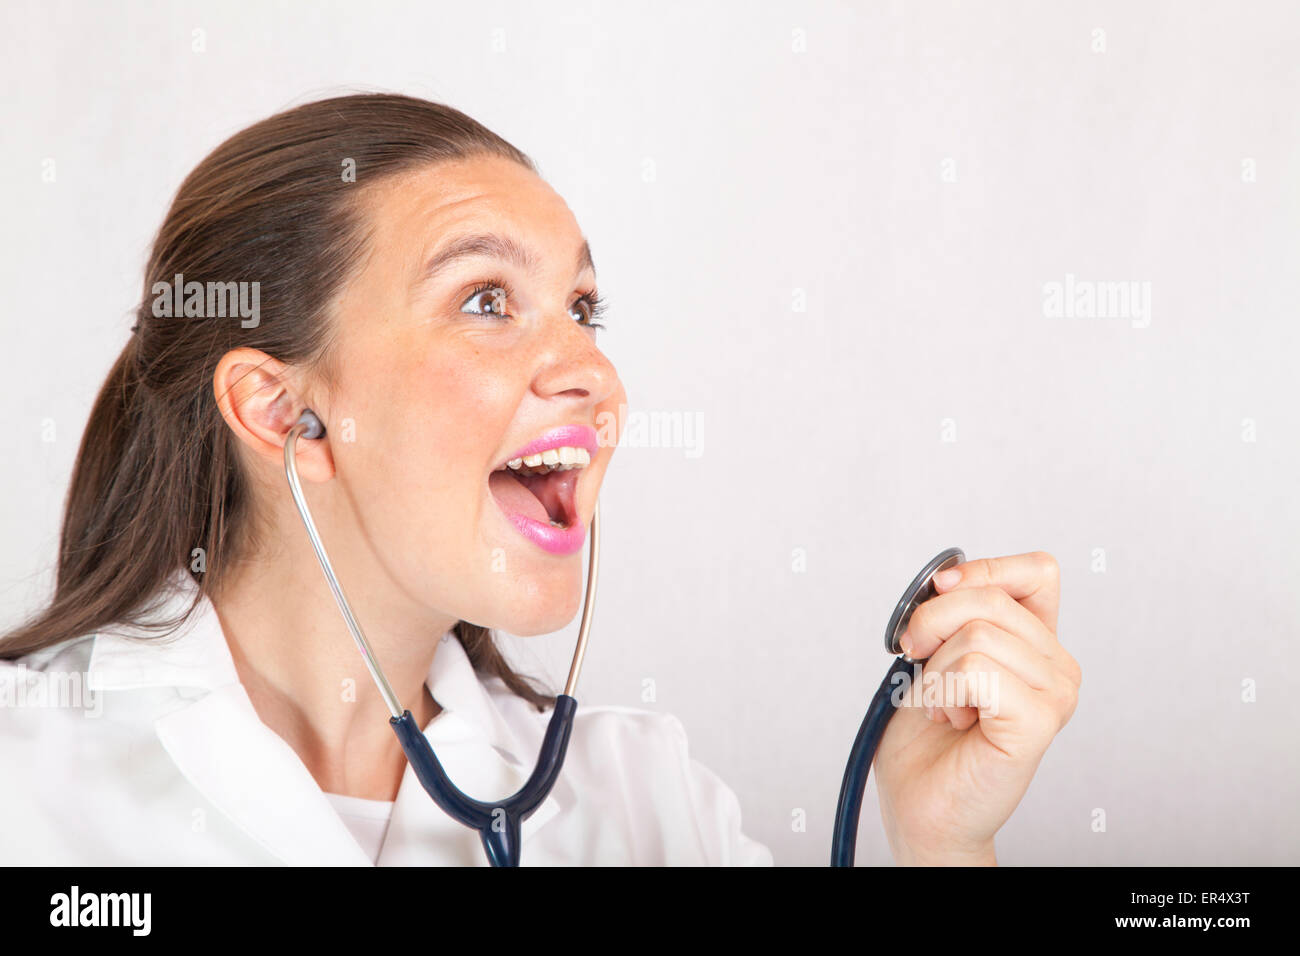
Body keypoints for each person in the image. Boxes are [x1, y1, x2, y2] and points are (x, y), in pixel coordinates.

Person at [0, 93, 1079, 866]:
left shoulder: (641, 798)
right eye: (486, 300)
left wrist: (940, 846)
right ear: (285, 413)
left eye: (583, 309)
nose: (593, 374)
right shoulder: (25, 774)